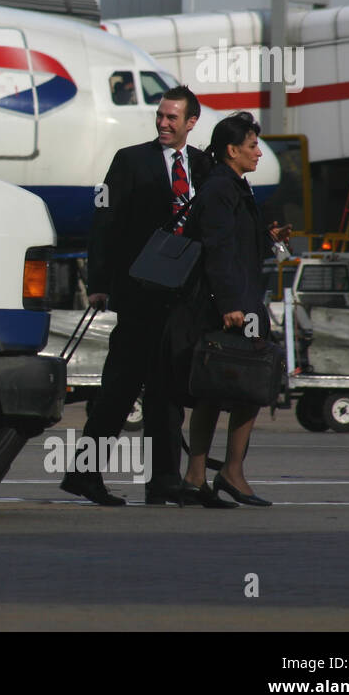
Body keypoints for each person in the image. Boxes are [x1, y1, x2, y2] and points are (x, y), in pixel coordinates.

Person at [62, 85, 211, 505]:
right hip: (139, 293)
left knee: (167, 392)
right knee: (119, 389)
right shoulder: (130, 161)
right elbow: (105, 223)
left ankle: (163, 479)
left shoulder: (203, 166)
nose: (164, 123)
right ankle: (84, 475)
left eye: (172, 118)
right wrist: (99, 282)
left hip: (181, 299)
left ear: (191, 123)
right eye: (160, 116)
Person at [175, 111, 291, 507]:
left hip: (239, 300)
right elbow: (218, 250)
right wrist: (229, 305)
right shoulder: (221, 189)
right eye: (252, 145)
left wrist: (266, 236)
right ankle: (225, 473)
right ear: (232, 150)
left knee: (219, 390)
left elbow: (236, 245)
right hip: (232, 305)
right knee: (245, 388)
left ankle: (202, 475)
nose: (258, 153)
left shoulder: (232, 187)